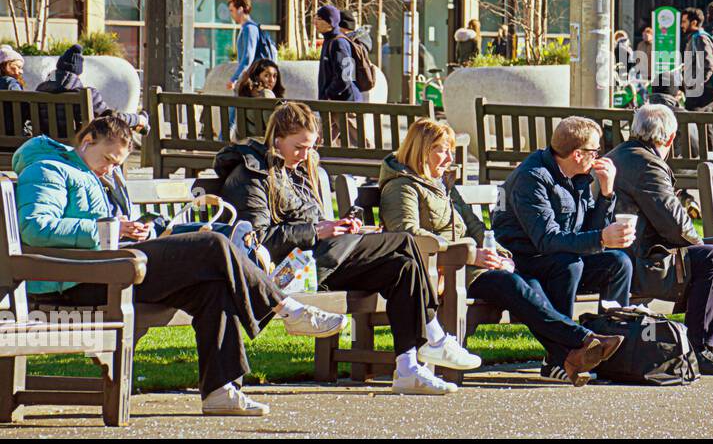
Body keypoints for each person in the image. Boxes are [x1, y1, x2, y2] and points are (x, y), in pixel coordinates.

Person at [15, 114, 349, 416]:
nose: (110, 168)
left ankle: (220, 389)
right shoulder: (48, 169)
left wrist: (143, 227)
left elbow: (114, 225)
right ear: (87, 142)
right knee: (213, 245)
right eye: (106, 159)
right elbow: (34, 226)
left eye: (117, 163)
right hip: (77, 280)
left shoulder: (103, 177)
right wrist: (112, 230)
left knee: (213, 285)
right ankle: (286, 308)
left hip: (119, 267)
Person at [216, 101, 471, 394]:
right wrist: (316, 230)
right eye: (299, 147)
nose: (306, 155)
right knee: (403, 241)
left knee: (403, 266)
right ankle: (435, 336)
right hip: (290, 270)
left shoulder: (295, 170)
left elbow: (310, 223)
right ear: (276, 139)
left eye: (310, 147)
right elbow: (255, 241)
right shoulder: (251, 175)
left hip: (320, 260)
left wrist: (340, 228)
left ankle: (408, 368)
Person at [378, 118, 622, 387]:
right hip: (447, 270)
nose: (449, 158)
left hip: (473, 265)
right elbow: (407, 234)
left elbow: (476, 227)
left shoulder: (441, 184)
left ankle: (566, 356)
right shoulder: (401, 186)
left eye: (450, 150)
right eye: (442, 150)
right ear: (422, 150)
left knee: (527, 284)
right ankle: (582, 340)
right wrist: (471, 254)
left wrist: (501, 254)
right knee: (516, 285)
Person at [607, 104, 713, 375]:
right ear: (671, 138)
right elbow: (677, 227)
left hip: (623, 257)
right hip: (637, 264)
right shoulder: (647, 165)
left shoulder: (622, 155)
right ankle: (702, 348)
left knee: (711, 260)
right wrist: (701, 246)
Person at [490, 116, 634, 379]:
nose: (598, 156)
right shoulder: (532, 178)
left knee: (618, 263)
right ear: (578, 154)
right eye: (595, 151)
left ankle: (612, 349)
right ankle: (558, 357)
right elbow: (547, 240)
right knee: (569, 263)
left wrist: (606, 193)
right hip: (525, 260)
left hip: (557, 256)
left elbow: (588, 228)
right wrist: (602, 237)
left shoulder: (577, 176)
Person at [36, 43, 149, 134]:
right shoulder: (86, 94)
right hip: (78, 149)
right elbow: (111, 119)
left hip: (43, 145)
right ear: (78, 72)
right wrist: (138, 119)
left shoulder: (39, 92)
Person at [315, 5, 361, 103]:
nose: (315, 22)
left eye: (319, 19)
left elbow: (345, 77)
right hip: (334, 104)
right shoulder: (328, 40)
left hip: (344, 105)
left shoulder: (339, 42)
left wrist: (328, 94)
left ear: (330, 23)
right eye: (315, 18)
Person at [680, 7, 713, 112]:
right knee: (699, 125)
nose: (682, 25)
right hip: (698, 91)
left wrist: (696, 85)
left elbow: (708, 65)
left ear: (694, 22)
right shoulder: (695, 37)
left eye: (684, 22)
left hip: (700, 93)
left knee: (694, 123)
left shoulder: (700, 38)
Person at [226, 0, 262, 93]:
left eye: (232, 10)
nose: (231, 14)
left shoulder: (249, 29)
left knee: (235, 107)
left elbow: (247, 57)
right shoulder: (246, 28)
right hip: (248, 80)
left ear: (240, 9)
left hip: (251, 81)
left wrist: (234, 79)